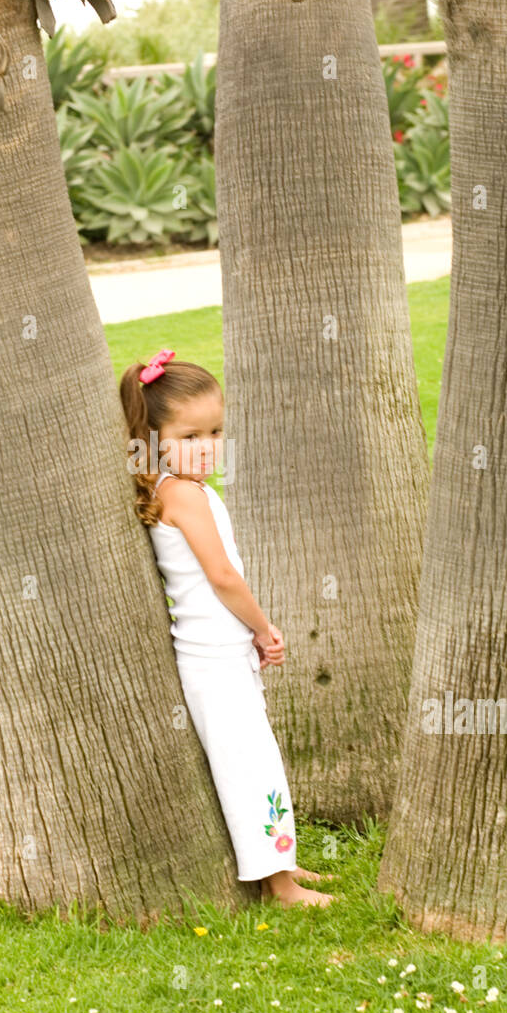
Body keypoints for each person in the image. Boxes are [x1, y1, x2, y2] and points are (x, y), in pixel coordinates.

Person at [119, 347, 334, 909]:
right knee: (248, 764)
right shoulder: (183, 494)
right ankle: (278, 885)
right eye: (190, 436)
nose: (208, 447)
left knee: (257, 756)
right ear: (152, 437)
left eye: (216, 431)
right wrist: (264, 629)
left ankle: (281, 859)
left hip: (220, 649)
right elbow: (223, 577)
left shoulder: (181, 489)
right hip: (212, 655)